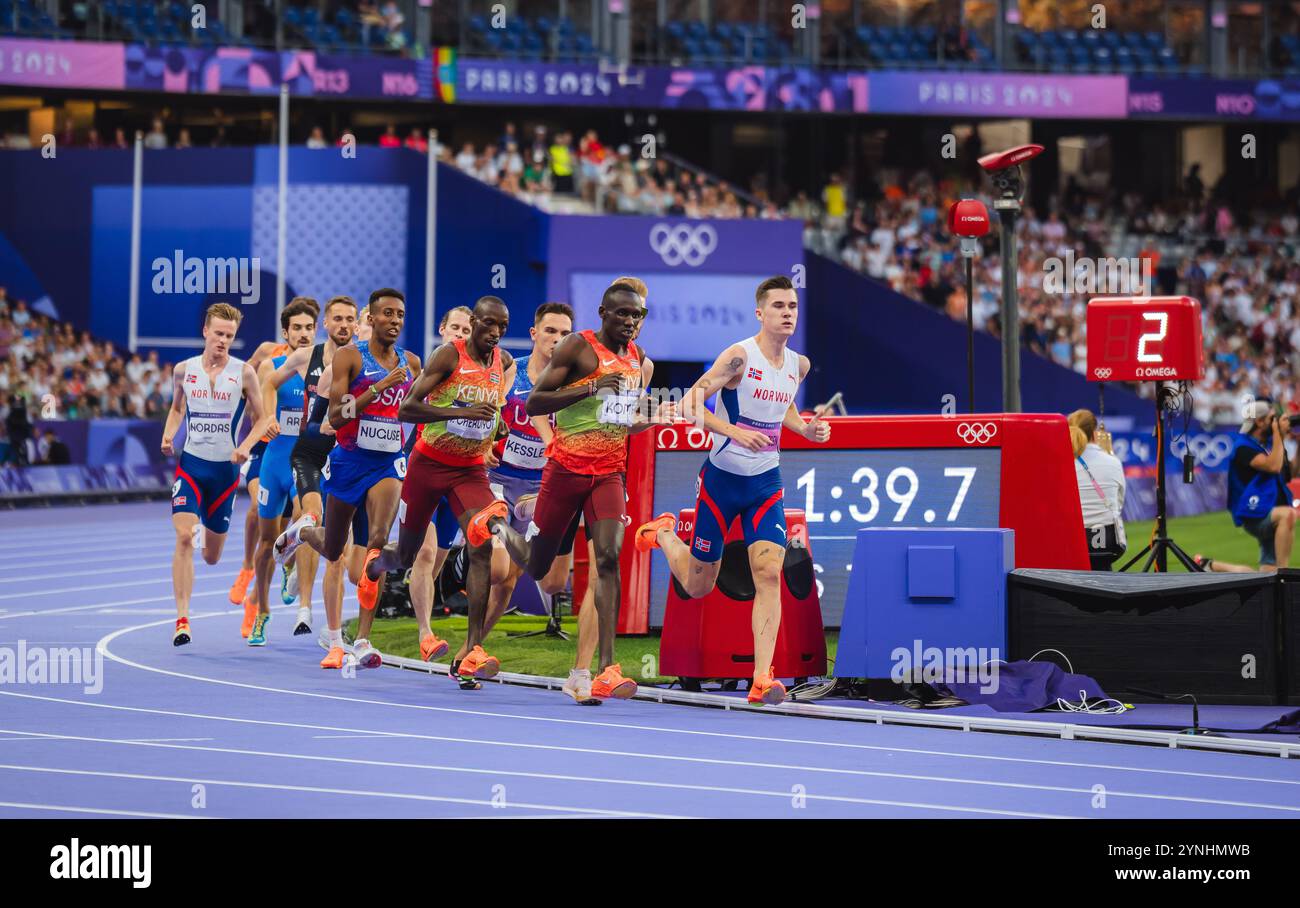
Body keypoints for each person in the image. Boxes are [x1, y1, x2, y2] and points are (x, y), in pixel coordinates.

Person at [635, 275, 830, 706]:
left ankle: (762, 678)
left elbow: (786, 411)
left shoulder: (799, 365)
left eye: (792, 306)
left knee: (768, 573)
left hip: (766, 484)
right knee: (700, 584)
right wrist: (732, 431)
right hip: (722, 480)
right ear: (760, 312)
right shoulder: (739, 357)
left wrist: (808, 429)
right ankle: (665, 534)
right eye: (778, 306)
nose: (787, 313)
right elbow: (689, 404)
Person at [470, 281, 664, 701]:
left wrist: (650, 416)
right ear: (603, 313)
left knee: (609, 560)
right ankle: (500, 525)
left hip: (609, 474)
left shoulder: (638, 359)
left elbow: (624, 419)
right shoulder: (578, 347)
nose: (630, 322)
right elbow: (536, 401)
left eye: (637, 315)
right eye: (622, 314)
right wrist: (592, 387)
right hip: (565, 472)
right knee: (539, 570)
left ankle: (607, 668)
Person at [366, 296, 516, 690]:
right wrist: (459, 414)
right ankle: (378, 566)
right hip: (428, 466)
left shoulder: (500, 361)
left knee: (481, 544)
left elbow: (490, 410)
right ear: (474, 322)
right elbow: (408, 410)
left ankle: (472, 651)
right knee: (407, 554)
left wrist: (495, 429)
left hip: (469, 471)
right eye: (488, 324)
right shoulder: (448, 356)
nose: (495, 332)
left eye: (502, 325)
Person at [275, 290, 419, 670]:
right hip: (348, 461)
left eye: (400, 314)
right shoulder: (350, 357)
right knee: (333, 548)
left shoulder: (413, 363)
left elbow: (418, 410)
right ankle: (302, 534)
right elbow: (337, 416)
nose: (395, 320)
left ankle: (363, 640)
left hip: (387, 464)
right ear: (370, 318)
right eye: (387, 313)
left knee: (375, 545)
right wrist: (380, 388)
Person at [467, 302, 576, 669]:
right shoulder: (510, 370)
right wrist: (482, 447)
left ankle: (472, 650)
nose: (557, 340)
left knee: (520, 581)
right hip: (496, 479)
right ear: (534, 334)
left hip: (536, 490)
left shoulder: (573, 384)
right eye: (550, 331)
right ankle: (457, 571)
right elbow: (485, 410)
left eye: (564, 334)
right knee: (497, 570)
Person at [162, 303, 270, 646]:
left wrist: (247, 446)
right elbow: (177, 408)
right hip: (191, 466)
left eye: (229, 336)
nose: (223, 340)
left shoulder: (244, 374)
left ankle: (224, 554)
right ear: (205, 332)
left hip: (225, 474)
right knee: (183, 538)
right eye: (218, 333)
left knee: (210, 555)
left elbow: (264, 419)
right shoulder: (184, 370)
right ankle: (182, 619)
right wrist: (169, 434)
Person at [228, 297, 320, 632]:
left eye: (309, 327)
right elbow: (250, 384)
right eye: (297, 328)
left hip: (305, 458)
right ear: (286, 331)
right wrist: (260, 419)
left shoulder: (323, 363)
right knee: (261, 522)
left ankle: (289, 562)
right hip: (269, 452)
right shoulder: (270, 358)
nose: (303, 333)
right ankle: (254, 592)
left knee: (303, 514)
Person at [1228, 401, 1295, 572]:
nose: (1275, 421)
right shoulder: (1243, 447)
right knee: (1287, 515)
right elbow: (1272, 466)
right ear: (1259, 421)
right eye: (1272, 418)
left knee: (1266, 571)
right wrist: (1278, 434)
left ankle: (1210, 566)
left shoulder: (1266, 445)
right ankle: (1284, 575)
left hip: (1269, 508)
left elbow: (1291, 472)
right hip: (1255, 512)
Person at [1068, 409, 1127, 571]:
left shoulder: (1063, 463)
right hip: (1109, 543)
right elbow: (1119, 503)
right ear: (1094, 434)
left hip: (1073, 542)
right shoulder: (1113, 461)